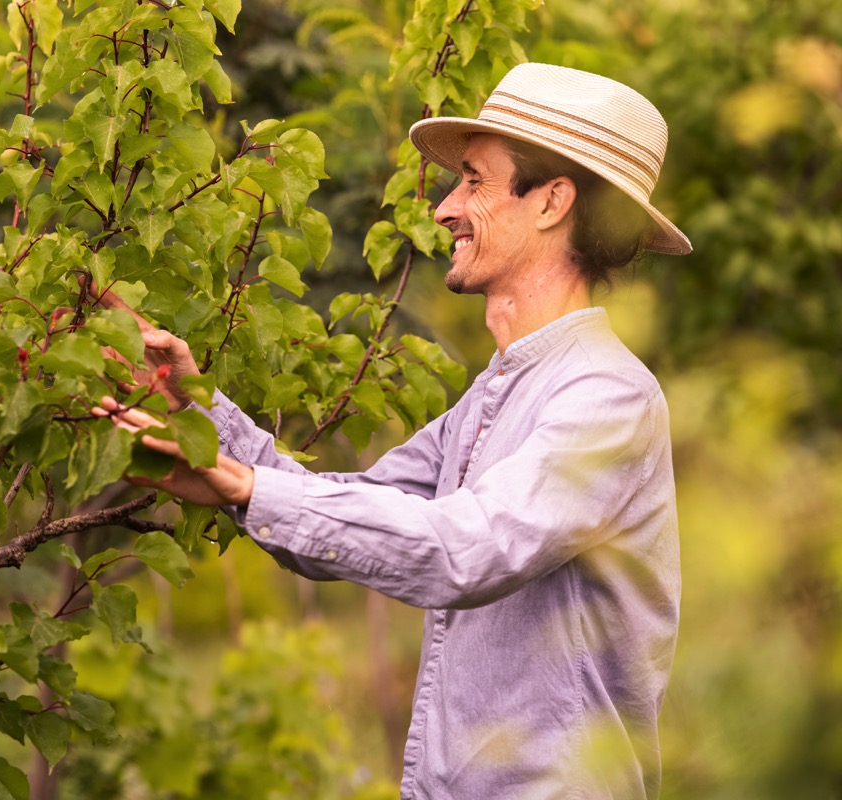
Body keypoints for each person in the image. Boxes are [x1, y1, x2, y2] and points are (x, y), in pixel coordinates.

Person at [95, 63, 690, 799]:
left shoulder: (607, 398)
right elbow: (350, 507)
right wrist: (200, 415)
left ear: (552, 202)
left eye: (473, 181)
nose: (444, 209)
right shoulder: (496, 395)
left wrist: (248, 486)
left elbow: (464, 549)